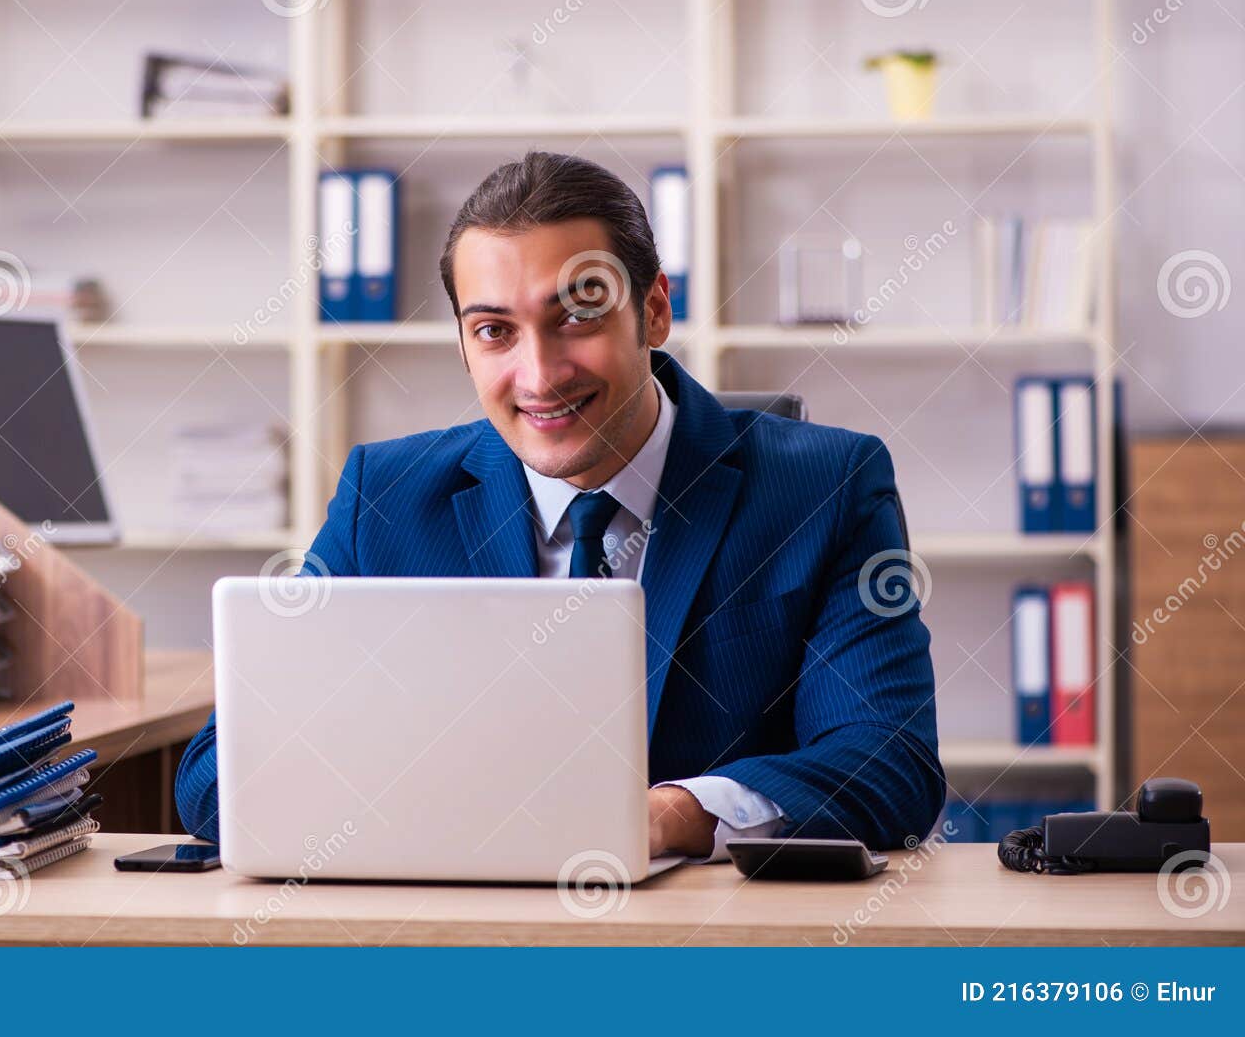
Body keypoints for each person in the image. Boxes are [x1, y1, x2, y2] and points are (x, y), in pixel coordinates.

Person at [177, 150, 944, 857]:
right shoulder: (387, 499)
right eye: (494, 331)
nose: (539, 375)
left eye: (575, 317)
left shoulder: (826, 488)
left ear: (652, 311)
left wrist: (676, 815)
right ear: (464, 344)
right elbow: (217, 773)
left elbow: (890, 763)